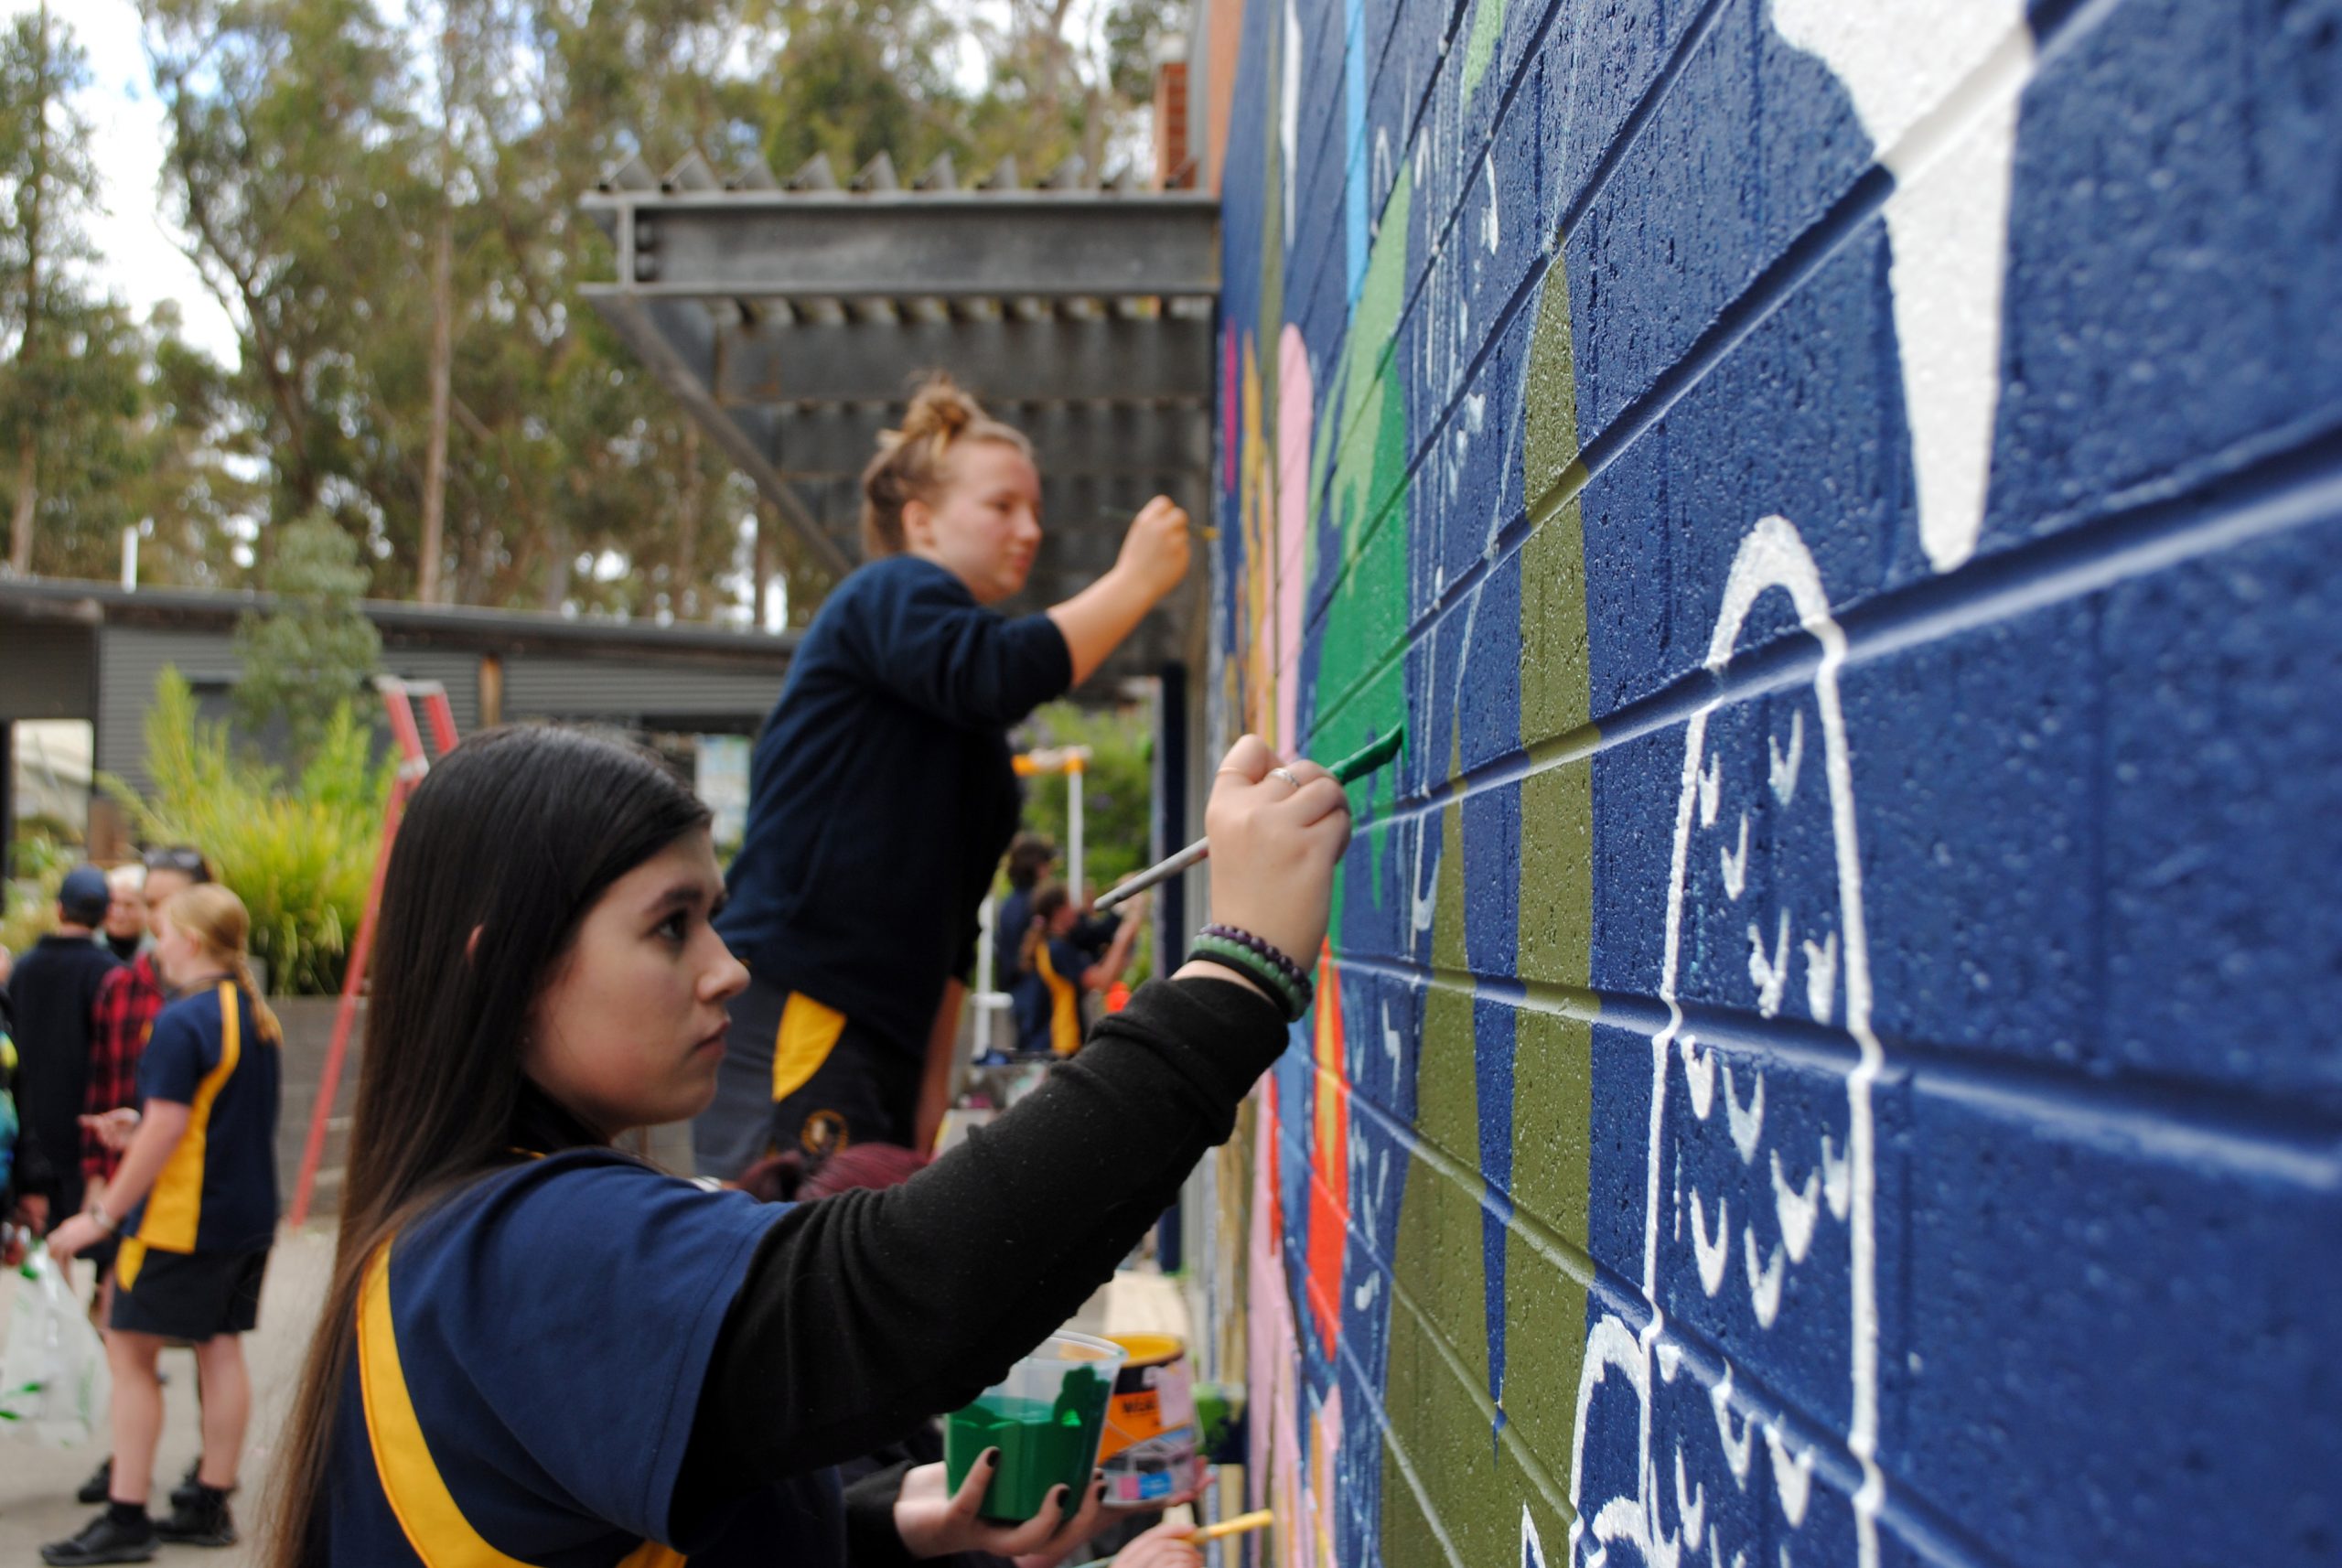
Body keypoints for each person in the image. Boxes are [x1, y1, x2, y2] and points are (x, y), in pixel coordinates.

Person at [233, 722, 1342, 1568]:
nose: (727, 968)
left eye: (713, 916)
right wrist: (1236, 976)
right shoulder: (516, 1254)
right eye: (672, 926)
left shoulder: (453, 1245)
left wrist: (876, 1530)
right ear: (504, 969)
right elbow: (900, 1291)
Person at [701, 375, 1191, 1174]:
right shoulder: (889, 591)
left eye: (1034, 509)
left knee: (855, 1266)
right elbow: (995, 669)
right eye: (1002, 506)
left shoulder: (959, 715)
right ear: (920, 522)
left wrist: (932, 1089)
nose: (1029, 529)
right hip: (810, 997)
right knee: (788, 1254)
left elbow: (955, 926)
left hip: (887, 1035)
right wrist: (1134, 580)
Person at [43, 883, 284, 1561]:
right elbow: (200, 1118)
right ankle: (210, 1501)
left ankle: (126, 1515)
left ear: (192, 941)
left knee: (130, 1353)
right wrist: (141, 1126)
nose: (155, 937)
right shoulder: (251, 1014)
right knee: (220, 1344)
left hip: (181, 1221)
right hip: (245, 1215)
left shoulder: (182, 1020)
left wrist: (99, 1215)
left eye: (164, 925)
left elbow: (173, 1126)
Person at [75, 845, 217, 1512]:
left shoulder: (211, 1005)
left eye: (159, 902)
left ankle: (187, 1491)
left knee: (203, 1345)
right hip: (142, 1201)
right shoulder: (122, 987)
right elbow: (111, 1088)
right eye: (141, 902)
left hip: (190, 1205)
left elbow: (180, 1123)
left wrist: (100, 1213)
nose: (147, 915)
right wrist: (102, 1183)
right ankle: (132, 1475)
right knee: (126, 1336)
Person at [5, 865, 121, 1232]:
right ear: (106, 915)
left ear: (58, 909)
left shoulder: (21, 969)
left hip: (29, 1129)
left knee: (45, 1242)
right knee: (95, 1242)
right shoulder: (112, 972)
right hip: (89, 1131)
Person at [1015, 885, 1144, 1058]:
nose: (1075, 911)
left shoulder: (1050, 945)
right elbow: (1102, 981)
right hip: (1059, 1044)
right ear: (1058, 911)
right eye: (1069, 905)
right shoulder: (1057, 949)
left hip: (1054, 1042)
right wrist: (1123, 938)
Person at [992, 832, 1058, 994]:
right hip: (1033, 989)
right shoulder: (1035, 904)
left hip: (1016, 988)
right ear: (1036, 867)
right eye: (1046, 864)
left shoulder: (1010, 904)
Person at [101, 866, 148, 963]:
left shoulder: (154, 955)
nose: (119, 913)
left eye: (128, 905)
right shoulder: (90, 949)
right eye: (113, 903)